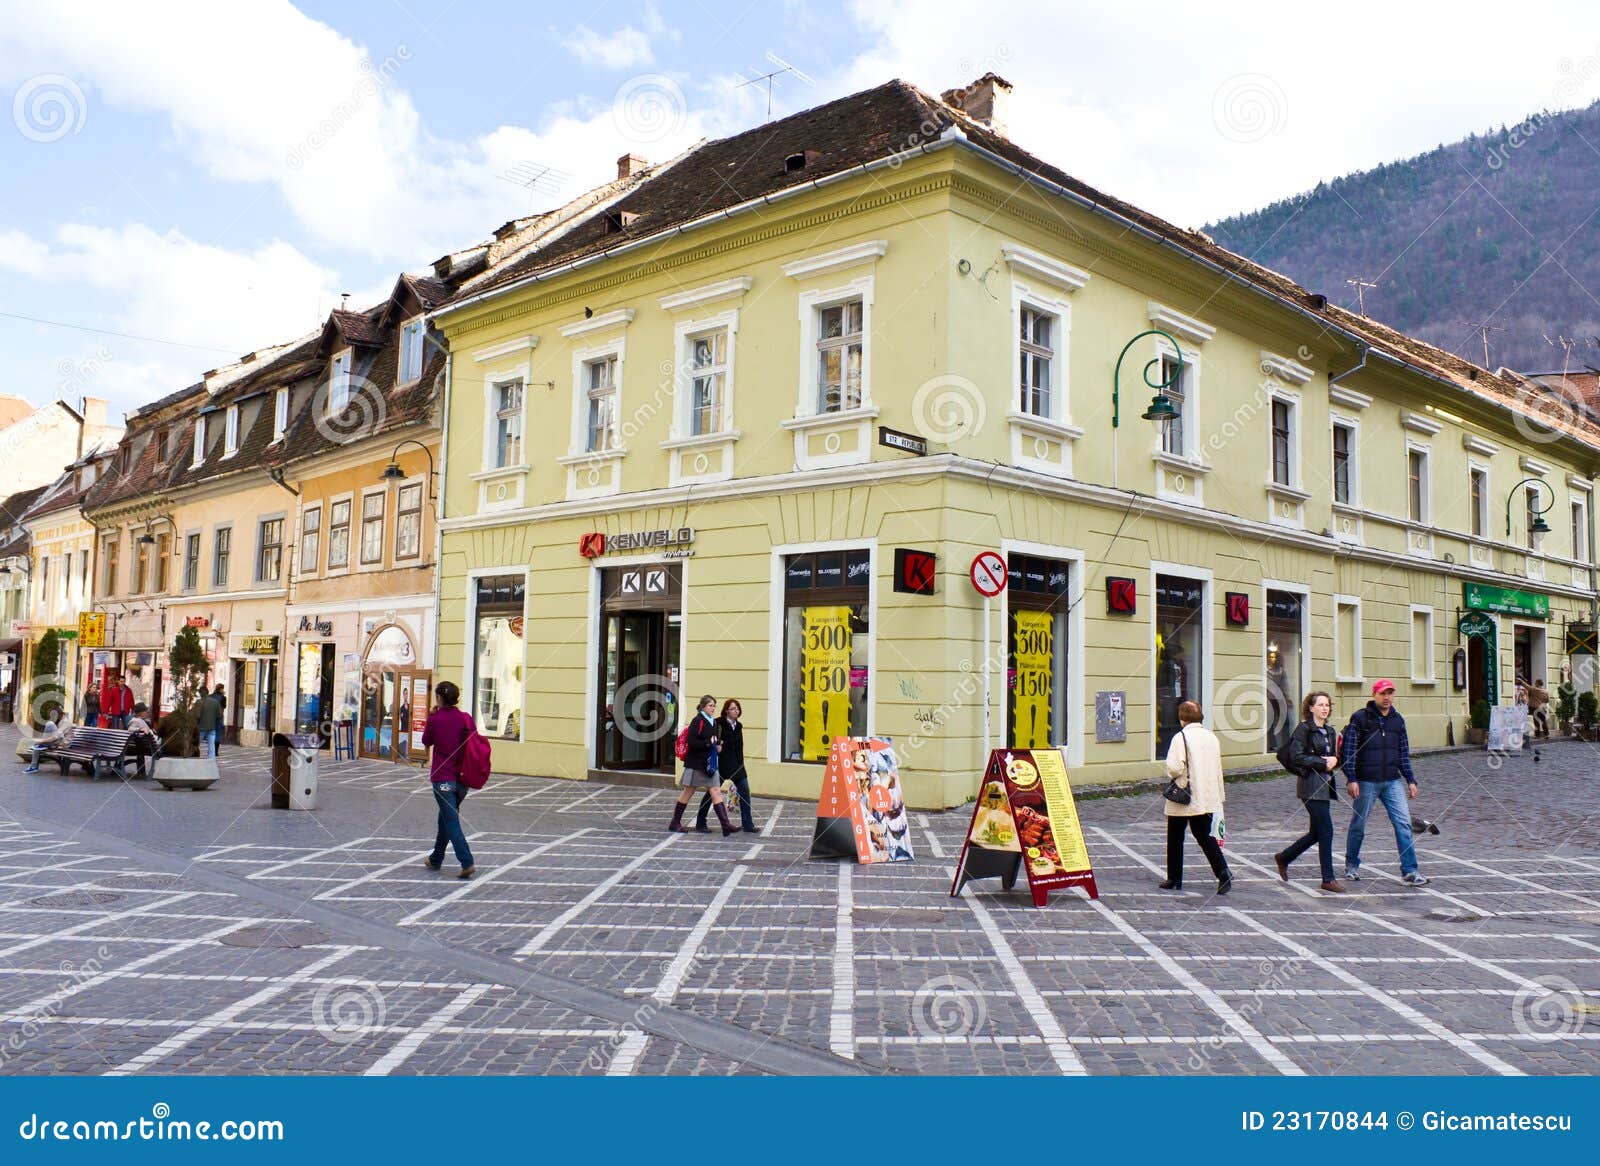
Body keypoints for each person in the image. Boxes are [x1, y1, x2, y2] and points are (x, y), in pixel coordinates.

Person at [1342, 679, 1429, 885]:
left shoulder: (1397, 720)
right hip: (1366, 781)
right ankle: (1351, 865)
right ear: (1374, 695)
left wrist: (1410, 779)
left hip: (1392, 781)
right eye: (1382, 693)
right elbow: (1349, 751)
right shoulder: (1360, 718)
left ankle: (1410, 870)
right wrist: (1351, 778)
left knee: (1403, 824)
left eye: (1390, 693)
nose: (1387, 697)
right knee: (1358, 824)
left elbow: (1403, 753)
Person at [1272, 692, 1345, 892]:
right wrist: (1322, 762)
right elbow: (1296, 756)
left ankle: (1284, 857)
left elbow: (1332, 757)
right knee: (1326, 830)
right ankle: (1328, 879)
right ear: (1311, 708)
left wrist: (1335, 759)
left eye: (1327, 705)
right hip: (1310, 786)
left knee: (1316, 833)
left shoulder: (1329, 731)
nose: (1324, 708)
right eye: (1320, 705)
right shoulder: (1304, 729)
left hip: (1325, 785)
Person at [1160, 700, 1232, 894]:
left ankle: (1174, 878)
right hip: (1207, 795)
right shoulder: (1211, 737)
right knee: (1204, 835)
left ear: (1182, 718)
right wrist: (1219, 796)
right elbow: (1217, 768)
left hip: (1185, 795)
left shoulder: (1180, 737)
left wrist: (1170, 772)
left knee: (1175, 836)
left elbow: (1175, 768)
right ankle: (1223, 871)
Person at [420, 680, 477, 879]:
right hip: (462, 780)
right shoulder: (465, 718)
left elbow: (426, 741)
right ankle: (436, 858)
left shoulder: (435, 720)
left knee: (451, 821)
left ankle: (467, 862)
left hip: (443, 779)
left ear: (439, 698)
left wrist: (432, 717)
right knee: (445, 818)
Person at [669, 695, 736, 835]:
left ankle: (726, 825)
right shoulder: (697, 721)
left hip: (710, 764)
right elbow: (692, 742)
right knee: (688, 791)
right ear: (703, 707)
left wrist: (717, 745)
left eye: (714, 706)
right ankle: (675, 822)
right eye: (710, 705)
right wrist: (708, 743)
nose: (713, 708)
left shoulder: (713, 722)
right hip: (696, 764)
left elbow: (713, 740)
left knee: (716, 791)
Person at [696, 699, 755, 833]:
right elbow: (713, 740)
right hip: (721, 765)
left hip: (737, 765)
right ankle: (700, 822)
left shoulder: (739, 726)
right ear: (726, 711)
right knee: (711, 794)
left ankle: (748, 824)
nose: (736, 711)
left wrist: (741, 763)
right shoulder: (718, 723)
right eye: (733, 708)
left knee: (745, 792)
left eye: (737, 708)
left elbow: (740, 747)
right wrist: (718, 744)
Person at [125, 702, 158, 777]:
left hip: (143, 747)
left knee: (140, 749)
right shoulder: (136, 721)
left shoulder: (139, 720)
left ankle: (141, 773)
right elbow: (130, 729)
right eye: (145, 711)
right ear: (140, 713)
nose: (147, 712)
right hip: (149, 748)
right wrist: (140, 729)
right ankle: (141, 773)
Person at [195, 687, 223, 758]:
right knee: (211, 746)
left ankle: (194, 757)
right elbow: (220, 715)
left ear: (201, 693)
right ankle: (211, 760)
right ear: (207, 692)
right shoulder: (215, 702)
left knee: (196, 744)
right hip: (212, 727)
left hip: (201, 728)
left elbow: (197, 715)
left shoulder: (199, 702)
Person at [212, 684, 227, 753]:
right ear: (221, 689)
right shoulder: (223, 697)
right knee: (218, 733)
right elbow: (224, 706)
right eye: (223, 689)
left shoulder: (211, 696)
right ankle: (216, 751)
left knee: (211, 733)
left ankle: (211, 749)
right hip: (219, 717)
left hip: (211, 717)